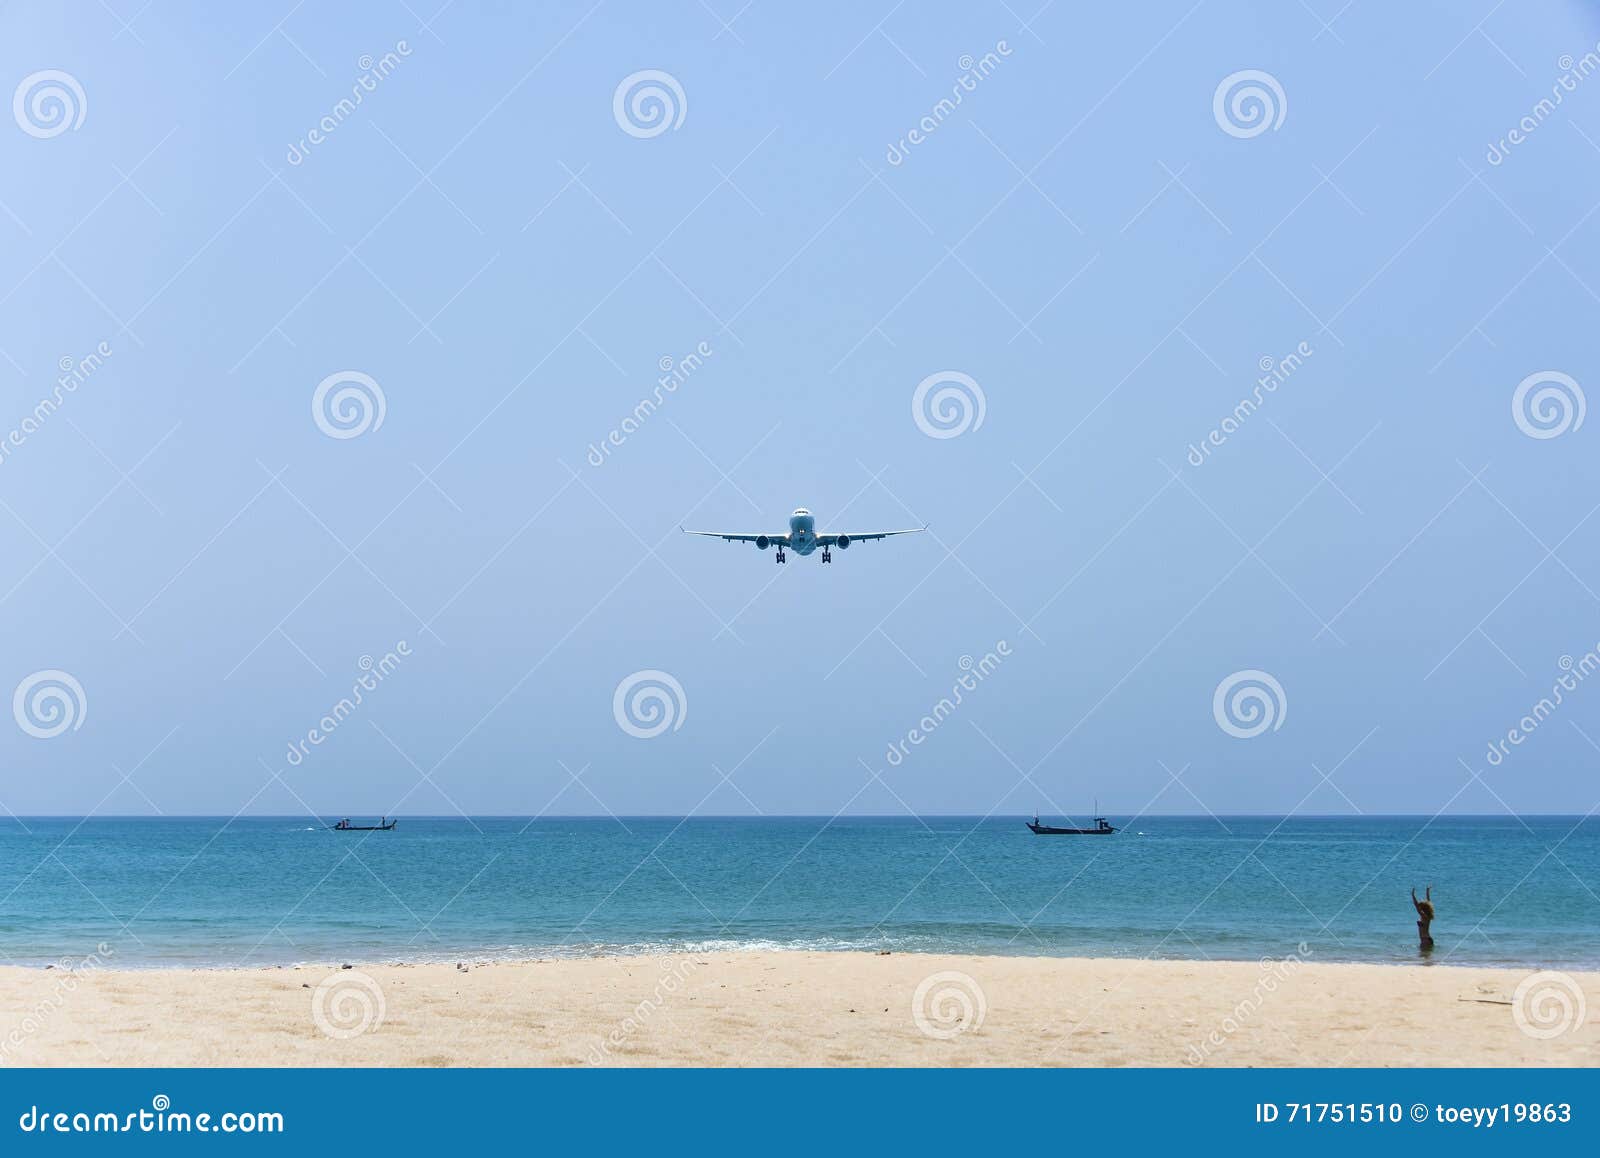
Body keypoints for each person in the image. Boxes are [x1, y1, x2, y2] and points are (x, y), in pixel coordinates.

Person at [1411, 885, 1434, 951]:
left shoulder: (1424, 916)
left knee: (1424, 957)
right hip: (1426, 939)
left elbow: (1416, 905)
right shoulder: (1427, 915)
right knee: (1426, 958)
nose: (1419, 908)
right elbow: (1429, 902)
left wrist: (1413, 895)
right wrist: (1427, 891)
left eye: (1420, 907)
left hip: (1425, 940)